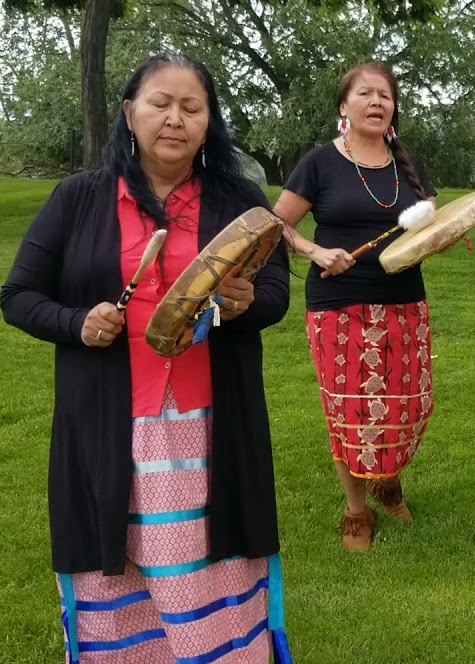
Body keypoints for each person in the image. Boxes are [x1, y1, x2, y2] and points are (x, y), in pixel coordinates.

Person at [0, 53, 293, 663]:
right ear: (129, 113)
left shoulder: (238, 200)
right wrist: (76, 322)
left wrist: (240, 305)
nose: (175, 119)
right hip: (110, 423)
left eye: (192, 107)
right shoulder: (79, 198)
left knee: (206, 565)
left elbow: (275, 295)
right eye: (160, 103)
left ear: (209, 122)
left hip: (212, 423)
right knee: (119, 565)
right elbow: (18, 295)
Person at [273, 61, 438, 552]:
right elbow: (274, 223)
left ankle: (388, 480)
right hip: (337, 305)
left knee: (406, 407)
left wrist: (440, 238)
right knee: (351, 412)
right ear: (344, 106)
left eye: (384, 95)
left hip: (404, 302)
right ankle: (356, 510)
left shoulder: (408, 162)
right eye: (364, 94)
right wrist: (314, 250)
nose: (376, 102)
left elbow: (426, 226)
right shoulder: (321, 162)